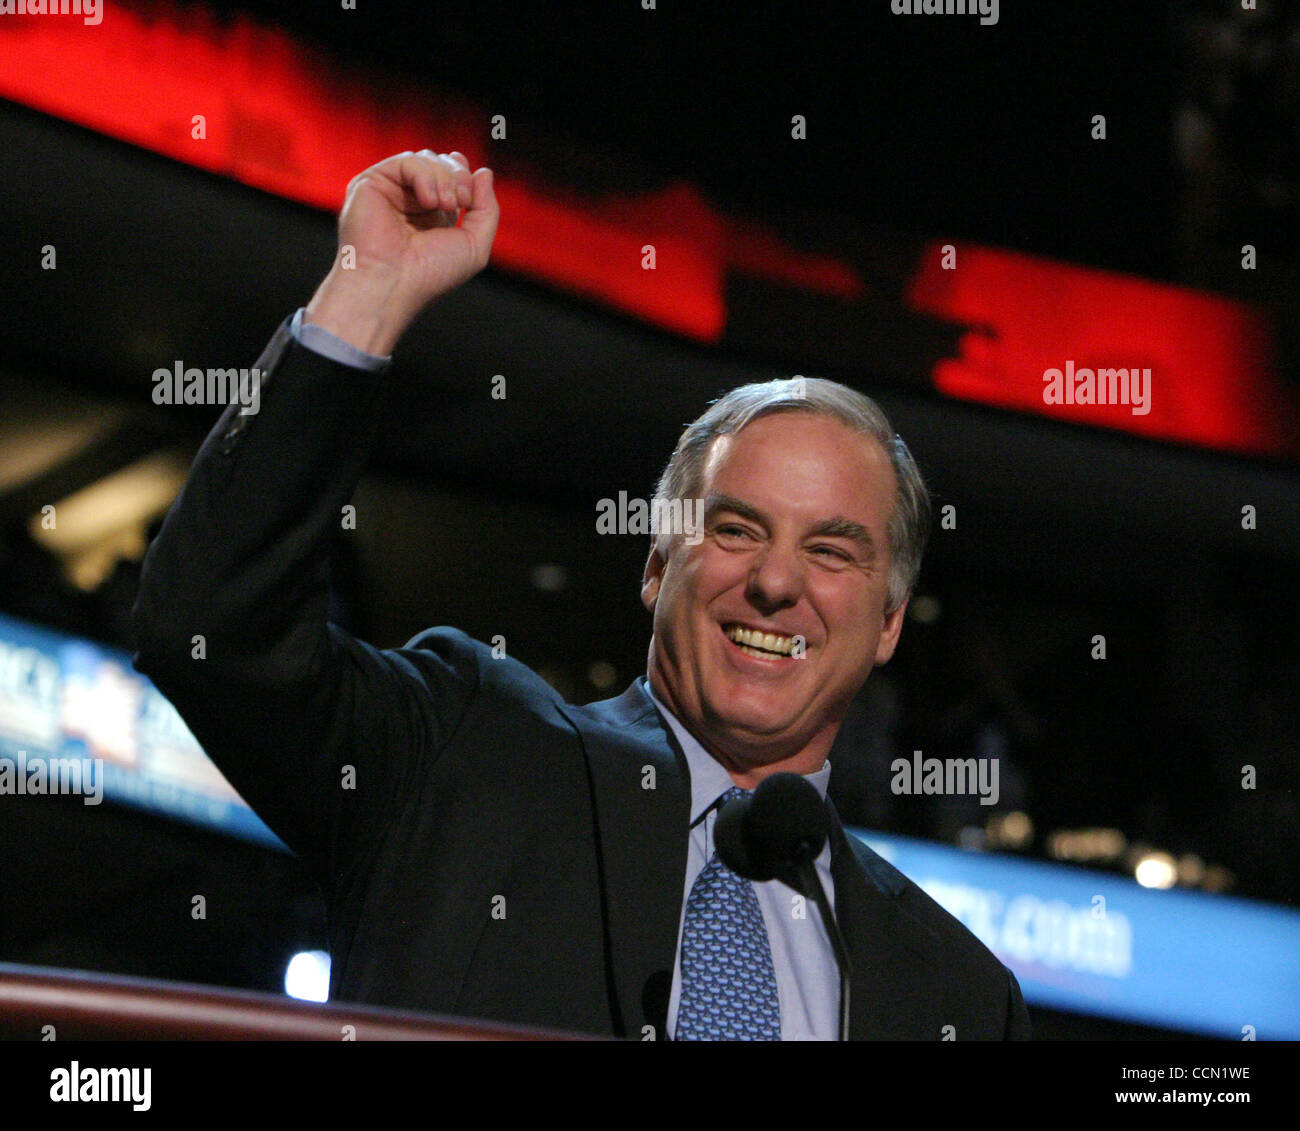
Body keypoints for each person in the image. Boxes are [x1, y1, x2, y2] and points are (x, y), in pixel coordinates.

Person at [132, 150, 1030, 1040]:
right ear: (653, 565)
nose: (776, 581)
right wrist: (366, 292)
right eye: (735, 529)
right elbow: (212, 628)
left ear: (887, 623)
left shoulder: (959, 998)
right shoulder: (458, 751)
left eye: (832, 550)